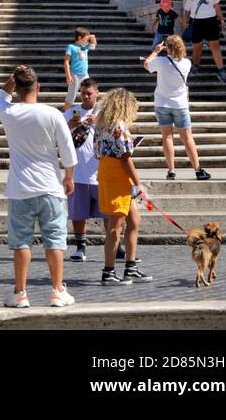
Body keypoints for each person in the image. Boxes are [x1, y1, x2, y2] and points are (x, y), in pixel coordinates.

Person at [0, 64, 76, 308]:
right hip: (50, 186)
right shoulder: (52, 113)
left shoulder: (9, 112)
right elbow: (68, 150)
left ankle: (20, 293)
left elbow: (1, 97)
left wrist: (12, 79)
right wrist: (69, 177)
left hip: (20, 188)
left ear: (17, 89)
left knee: (21, 242)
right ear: (38, 88)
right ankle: (57, 290)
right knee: (55, 240)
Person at [94, 88, 152, 285]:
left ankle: (130, 267)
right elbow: (125, 158)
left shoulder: (101, 124)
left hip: (109, 172)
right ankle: (108, 272)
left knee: (134, 221)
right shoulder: (118, 125)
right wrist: (139, 184)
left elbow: (99, 152)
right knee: (115, 226)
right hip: (116, 177)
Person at [64, 78, 118, 264]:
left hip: (101, 172)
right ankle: (80, 247)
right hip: (78, 173)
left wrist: (100, 123)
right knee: (78, 214)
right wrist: (69, 125)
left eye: (90, 93)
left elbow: (117, 135)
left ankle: (115, 245)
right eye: (83, 93)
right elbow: (57, 137)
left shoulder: (106, 113)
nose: (86, 96)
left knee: (109, 213)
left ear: (97, 92)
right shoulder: (70, 113)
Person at [143, 35, 211, 181]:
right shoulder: (187, 63)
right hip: (180, 105)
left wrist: (156, 51)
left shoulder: (161, 61)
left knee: (167, 137)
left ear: (167, 48)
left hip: (162, 103)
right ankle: (198, 170)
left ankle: (171, 171)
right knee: (187, 138)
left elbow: (146, 64)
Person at [183, 0, 226, 83]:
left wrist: (222, 20)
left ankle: (221, 71)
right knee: (197, 47)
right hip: (196, 22)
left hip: (211, 22)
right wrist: (185, 22)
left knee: (215, 47)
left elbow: (217, 8)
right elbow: (187, 10)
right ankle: (195, 67)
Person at [64, 27, 96, 109]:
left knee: (89, 91)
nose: (87, 40)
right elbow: (66, 61)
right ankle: (66, 113)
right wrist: (68, 75)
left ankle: (88, 111)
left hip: (85, 74)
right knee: (72, 95)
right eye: (86, 38)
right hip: (75, 74)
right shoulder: (71, 47)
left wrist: (92, 37)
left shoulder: (85, 47)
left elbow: (94, 45)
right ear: (79, 37)